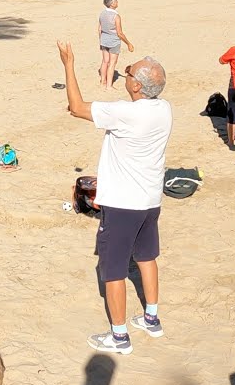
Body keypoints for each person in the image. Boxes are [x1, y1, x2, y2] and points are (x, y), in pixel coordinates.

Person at [57, 41, 172, 355]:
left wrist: (68, 63)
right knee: (147, 257)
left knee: (114, 271)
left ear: (136, 85)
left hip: (123, 205)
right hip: (150, 201)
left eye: (129, 71)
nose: (125, 72)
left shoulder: (126, 113)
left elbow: (76, 108)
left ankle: (119, 337)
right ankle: (151, 318)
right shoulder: (163, 108)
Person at [97, 0, 134, 90]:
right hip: (113, 41)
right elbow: (120, 33)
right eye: (115, 0)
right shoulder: (116, 16)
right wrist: (128, 43)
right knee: (112, 63)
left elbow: (99, 29)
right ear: (112, 4)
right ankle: (109, 85)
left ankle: (102, 82)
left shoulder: (102, 14)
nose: (117, 2)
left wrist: (101, 39)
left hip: (104, 40)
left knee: (105, 61)